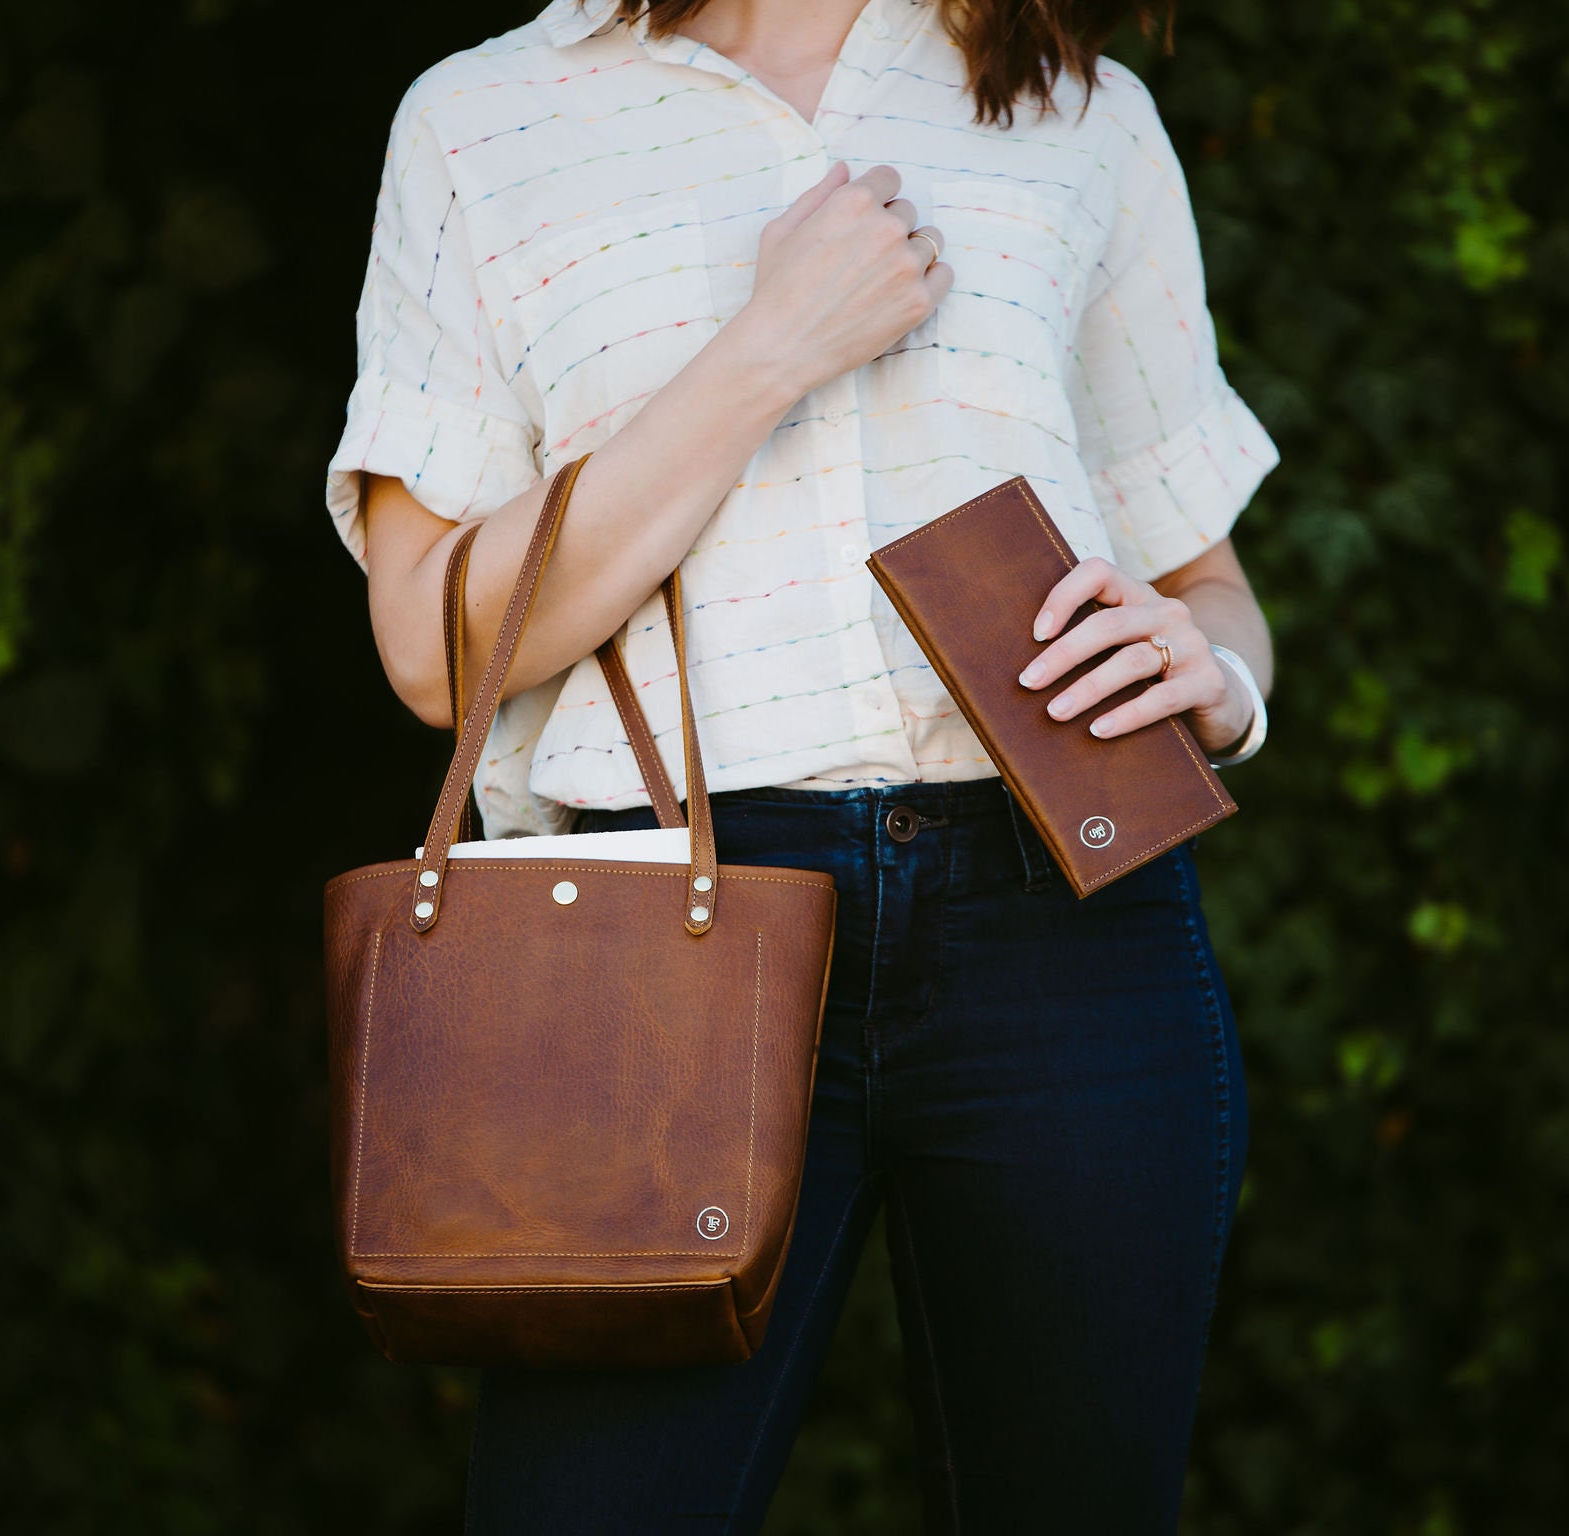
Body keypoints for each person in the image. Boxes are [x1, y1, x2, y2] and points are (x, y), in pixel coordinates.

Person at [326, 0, 1277, 1527]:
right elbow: (432, 650)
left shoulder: (1079, 115)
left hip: (1065, 930)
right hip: (655, 936)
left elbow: (1209, 577)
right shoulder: (484, 121)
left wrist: (1216, 673)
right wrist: (767, 350)